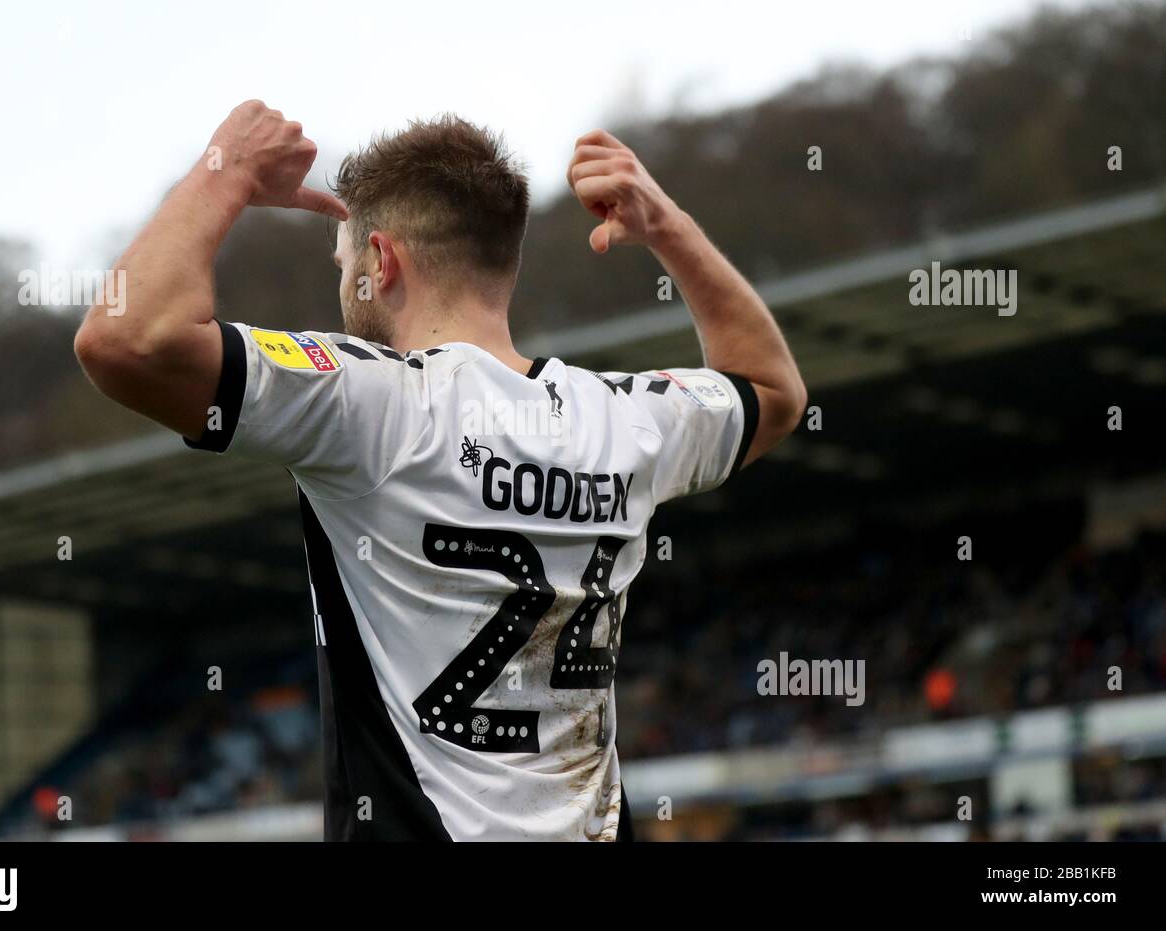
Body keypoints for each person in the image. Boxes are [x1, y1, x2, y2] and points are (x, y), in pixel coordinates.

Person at [74, 100, 806, 841]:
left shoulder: (371, 402)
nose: (342, 282)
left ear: (382, 262)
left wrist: (223, 169)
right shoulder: (624, 417)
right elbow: (772, 392)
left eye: (345, 263)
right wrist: (664, 224)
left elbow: (126, 339)